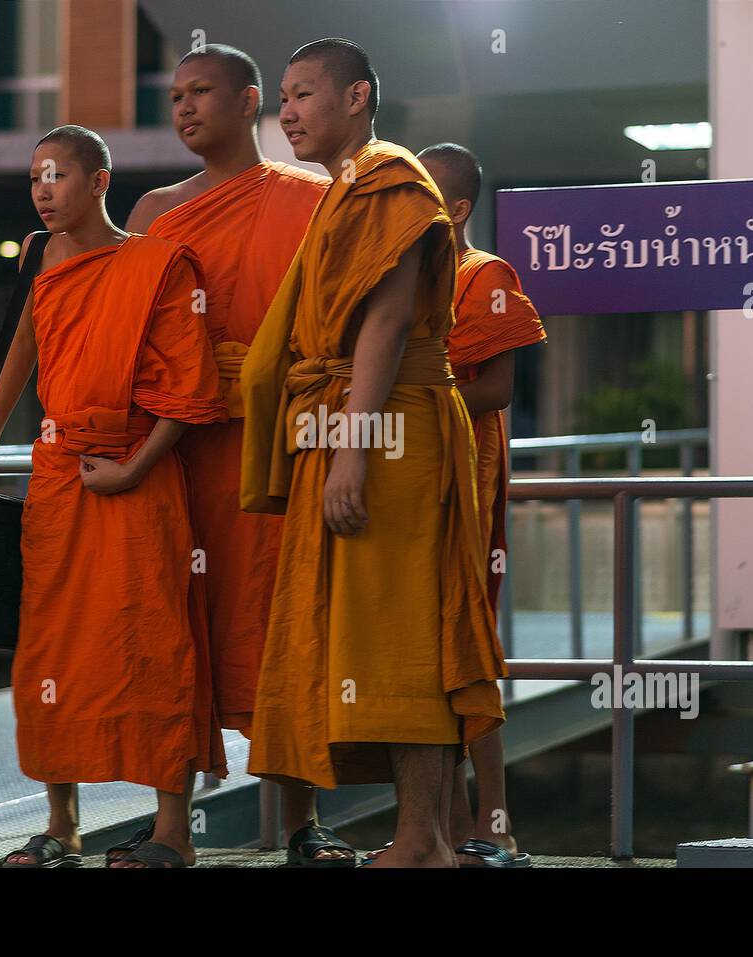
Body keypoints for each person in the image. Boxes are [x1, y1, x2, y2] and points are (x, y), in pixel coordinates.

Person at [239, 39, 506, 868]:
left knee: (402, 632)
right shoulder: (343, 189)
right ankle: (422, 834)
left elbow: (387, 324)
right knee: (363, 634)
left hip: (388, 431)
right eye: (281, 97)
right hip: (353, 421)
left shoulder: (391, 176)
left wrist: (352, 448)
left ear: (357, 97)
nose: (287, 112)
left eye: (305, 94)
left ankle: (426, 839)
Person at [0, 126, 228, 869]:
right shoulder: (38, 255)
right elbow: (23, 345)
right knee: (52, 647)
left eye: (56, 175)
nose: (43, 190)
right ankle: (62, 824)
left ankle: (172, 829)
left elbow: (189, 387)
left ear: (99, 181)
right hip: (59, 477)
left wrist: (134, 467)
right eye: (33, 178)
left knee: (154, 641)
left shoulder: (157, 264)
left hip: (138, 477)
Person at [125, 45, 352, 866]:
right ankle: (168, 825)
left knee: (285, 620)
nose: (184, 108)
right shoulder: (153, 211)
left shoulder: (315, 195)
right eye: (175, 96)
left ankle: (302, 823)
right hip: (179, 452)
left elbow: (339, 321)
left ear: (249, 99)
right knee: (172, 626)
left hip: (279, 449)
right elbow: (132, 339)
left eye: (201, 93)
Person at [419, 142, 545, 868]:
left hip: (464, 484)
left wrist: (408, 398)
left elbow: (495, 390)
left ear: (458, 208)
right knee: (421, 660)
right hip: (407, 483)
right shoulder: (404, 280)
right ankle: (443, 827)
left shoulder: (483, 274)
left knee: (468, 653)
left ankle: (495, 827)